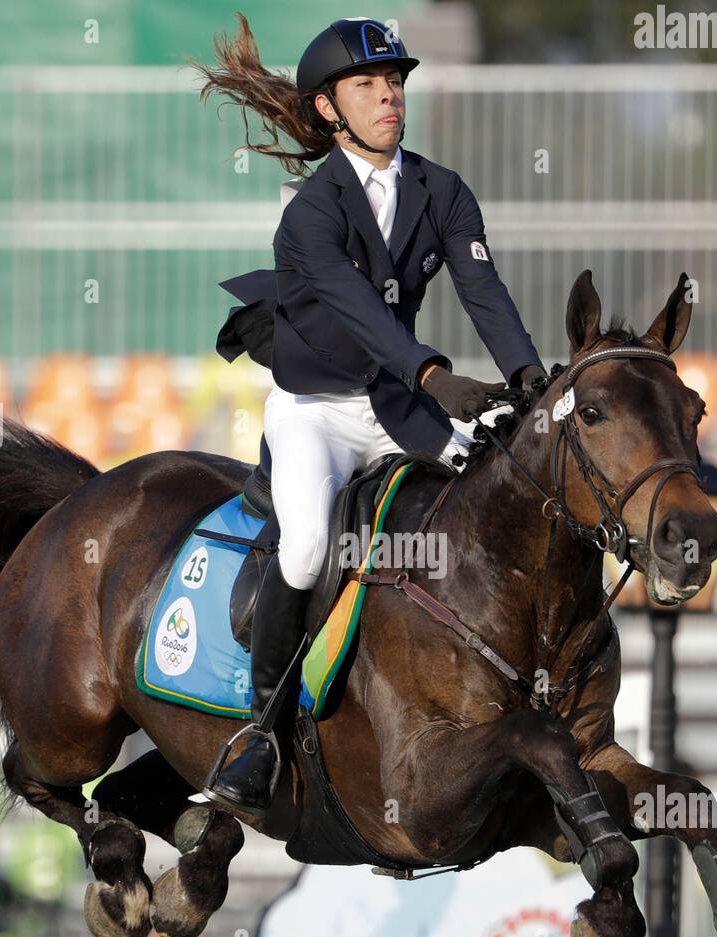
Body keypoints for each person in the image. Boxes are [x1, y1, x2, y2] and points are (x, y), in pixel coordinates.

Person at [195, 15, 547, 813]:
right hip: (314, 411)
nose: (389, 95)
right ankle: (261, 732)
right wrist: (432, 373)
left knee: (505, 488)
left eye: (395, 80)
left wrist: (528, 377)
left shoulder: (442, 190)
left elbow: (483, 292)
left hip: (393, 407)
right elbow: (359, 312)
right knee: (310, 544)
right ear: (328, 109)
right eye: (368, 84)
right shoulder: (310, 213)